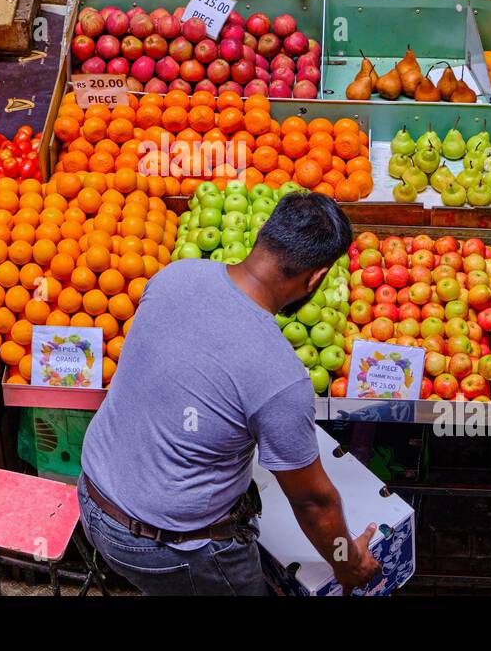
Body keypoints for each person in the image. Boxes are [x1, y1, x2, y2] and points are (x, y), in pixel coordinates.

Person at [78, 191, 381, 595]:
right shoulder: (281, 378)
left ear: (263, 235)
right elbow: (313, 502)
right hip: (164, 548)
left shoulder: (176, 274)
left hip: (94, 499)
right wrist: (348, 561)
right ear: (316, 278)